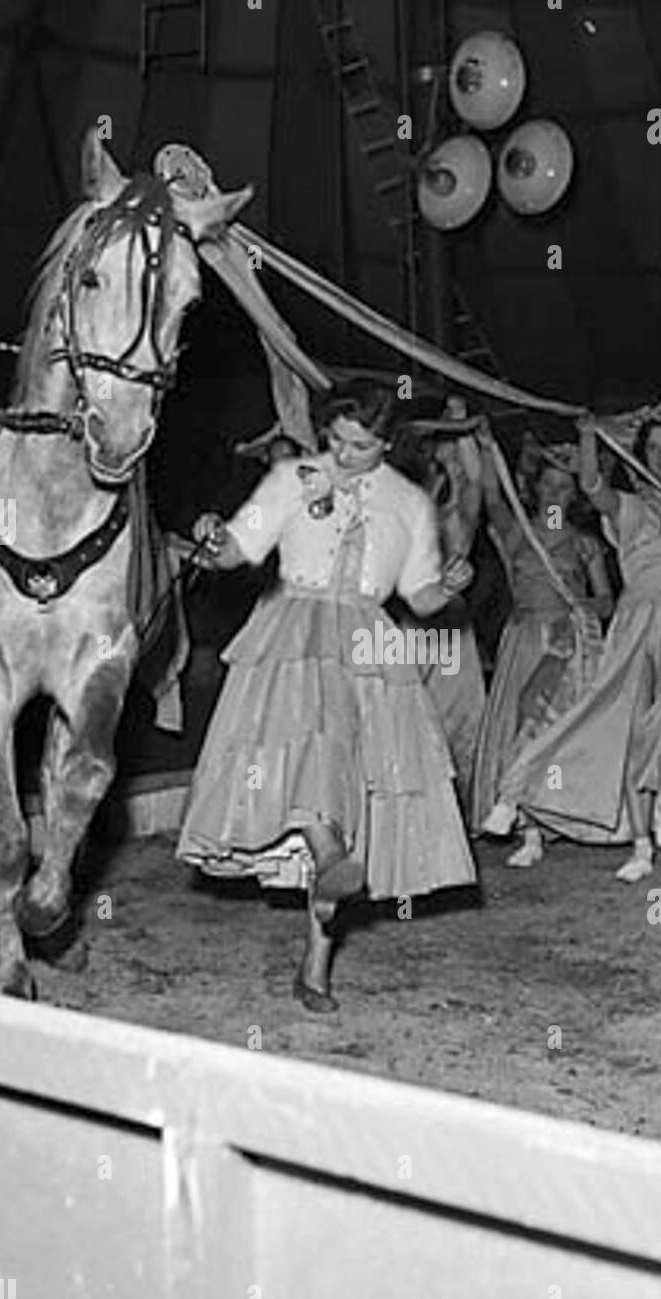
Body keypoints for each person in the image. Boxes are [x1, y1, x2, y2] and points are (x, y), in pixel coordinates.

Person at [175, 386, 477, 1011]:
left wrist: (448, 587)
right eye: (335, 439)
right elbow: (238, 548)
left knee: (352, 787)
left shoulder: (410, 502)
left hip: (367, 642)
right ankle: (331, 853)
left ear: (388, 443)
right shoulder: (294, 477)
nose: (343, 453)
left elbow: (418, 598)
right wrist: (213, 536)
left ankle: (315, 958)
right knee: (311, 762)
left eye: (360, 446)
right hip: (295, 633)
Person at [483, 395, 661, 882]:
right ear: (642, 454)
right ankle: (620, 836)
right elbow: (590, 484)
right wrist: (588, 434)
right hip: (633, 621)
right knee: (623, 729)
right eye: (653, 447)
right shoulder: (626, 508)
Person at [470, 422, 613, 867]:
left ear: (575, 495)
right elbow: (491, 495)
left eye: (564, 487)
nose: (554, 494)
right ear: (535, 487)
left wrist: (582, 608)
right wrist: (486, 445)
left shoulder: (585, 543)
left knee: (555, 732)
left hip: (566, 643)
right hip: (523, 638)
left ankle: (556, 815)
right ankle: (528, 829)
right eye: (547, 484)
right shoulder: (515, 530)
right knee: (521, 727)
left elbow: (608, 601)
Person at [390, 395, 487, 816]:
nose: (436, 460)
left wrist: (461, 425)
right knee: (408, 718)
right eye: (431, 453)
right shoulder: (399, 505)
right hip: (408, 624)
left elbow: (474, 483)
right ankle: (409, 813)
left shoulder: (457, 516)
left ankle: (458, 817)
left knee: (462, 722)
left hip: (452, 630)